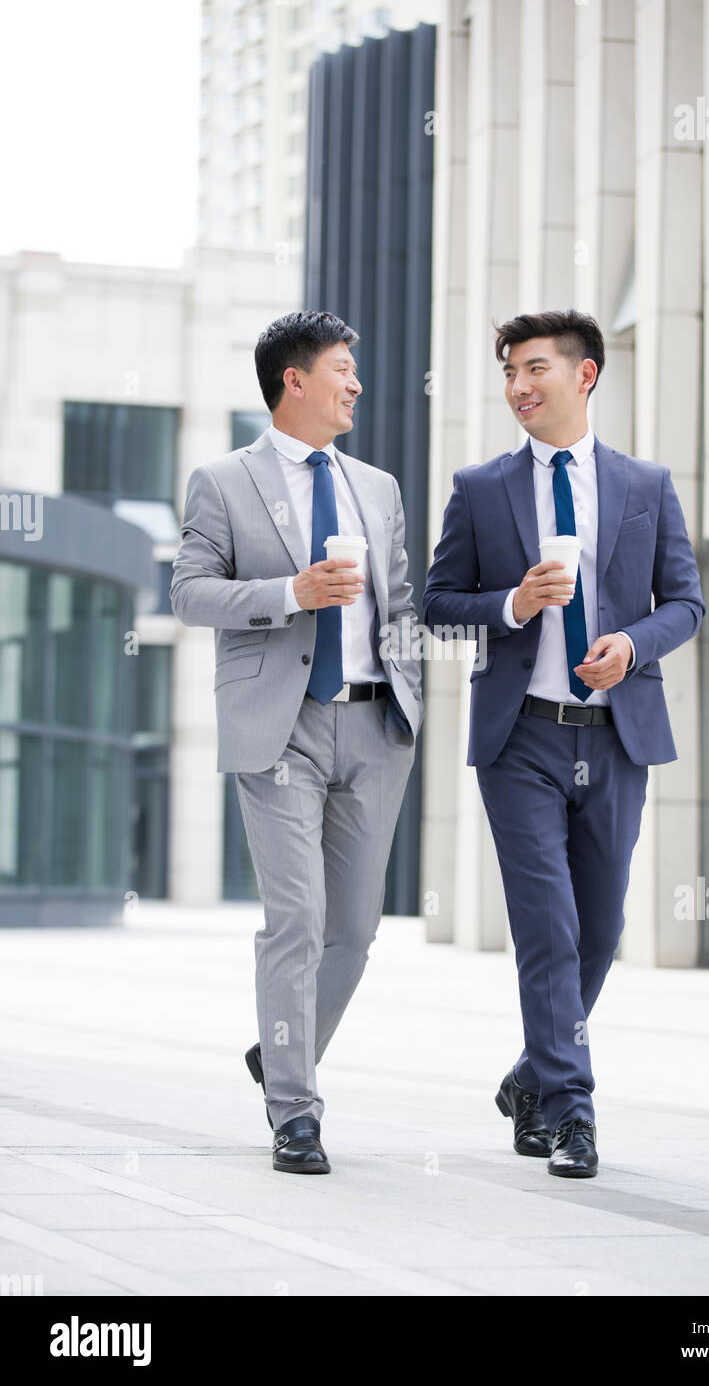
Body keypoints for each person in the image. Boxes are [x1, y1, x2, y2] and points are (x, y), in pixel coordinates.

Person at [422, 309, 704, 1178]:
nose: (518, 385)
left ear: (584, 376)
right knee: (547, 928)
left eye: (534, 368)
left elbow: (685, 604)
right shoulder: (480, 488)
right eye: (509, 371)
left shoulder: (647, 486)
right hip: (523, 742)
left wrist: (633, 645)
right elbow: (436, 604)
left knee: (602, 927)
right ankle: (572, 1112)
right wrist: (512, 602)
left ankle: (530, 1078)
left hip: (616, 737)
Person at [170, 310, 423, 1174]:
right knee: (298, 918)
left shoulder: (378, 488)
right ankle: (294, 1109)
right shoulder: (223, 480)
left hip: (374, 724)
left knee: (354, 928)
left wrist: (412, 689)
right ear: (295, 380)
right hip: (279, 725)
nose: (356, 385)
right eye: (343, 370)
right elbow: (191, 594)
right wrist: (292, 590)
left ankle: (281, 1052)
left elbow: (401, 603)